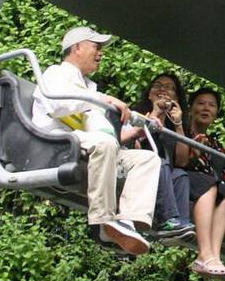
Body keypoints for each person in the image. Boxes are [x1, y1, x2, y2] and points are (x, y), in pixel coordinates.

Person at [30, 27, 160, 255]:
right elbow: (59, 106)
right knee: (104, 144)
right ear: (77, 47)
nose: (101, 54)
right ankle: (104, 219)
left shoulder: (88, 86)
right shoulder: (55, 73)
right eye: (96, 47)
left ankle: (128, 221)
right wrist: (102, 99)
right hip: (56, 140)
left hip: (87, 141)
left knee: (147, 159)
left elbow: (101, 129)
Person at [128, 73, 195, 241]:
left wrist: (178, 124)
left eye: (169, 88)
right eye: (158, 86)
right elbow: (133, 141)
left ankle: (181, 224)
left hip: (165, 174)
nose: (163, 90)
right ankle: (168, 220)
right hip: (141, 169)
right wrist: (155, 113)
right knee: (161, 163)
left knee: (181, 175)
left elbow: (182, 161)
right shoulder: (136, 115)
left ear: (176, 97)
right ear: (149, 93)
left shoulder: (175, 125)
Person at [182, 88, 225, 281]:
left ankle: (214, 257)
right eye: (201, 103)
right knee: (212, 185)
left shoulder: (215, 144)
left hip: (210, 188)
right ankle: (203, 254)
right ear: (190, 109)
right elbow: (178, 161)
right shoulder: (181, 130)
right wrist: (193, 150)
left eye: (211, 105)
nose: (206, 108)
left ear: (216, 113)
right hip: (185, 180)